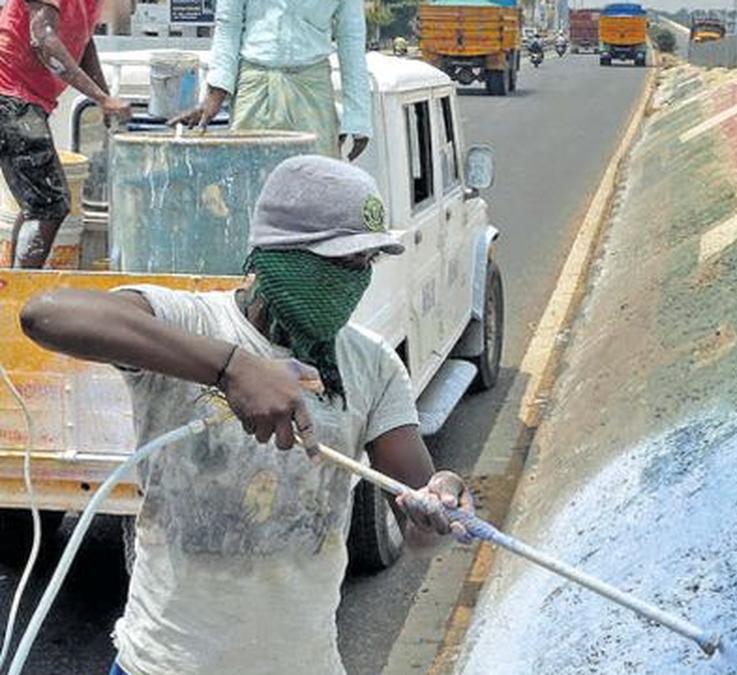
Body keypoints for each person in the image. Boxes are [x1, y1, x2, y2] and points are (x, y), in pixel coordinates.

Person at [20, 155, 475, 675]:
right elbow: (46, 315)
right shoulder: (192, 322)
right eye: (338, 261)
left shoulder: (371, 366)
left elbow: (420, 527)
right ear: (277, 252)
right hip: (163, 665)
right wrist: (231, 368)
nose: (355, 279)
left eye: (365, 262)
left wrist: (442, 502)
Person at [0, 0, 130, 269]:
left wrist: (104, 98)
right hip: (9, 94)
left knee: (42, 201)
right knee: (48, 202)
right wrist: (101, 98)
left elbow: (83, 43)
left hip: (24, 99)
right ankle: (17, 291)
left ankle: (16, 284)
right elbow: (43, 39)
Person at [171, 0, 372, 161]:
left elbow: (351, 38)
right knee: (248, 179)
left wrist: (358, 119)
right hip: (254, 85)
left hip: (312, 90)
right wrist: (214, 97)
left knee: (315, 185)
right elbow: (228, 25)